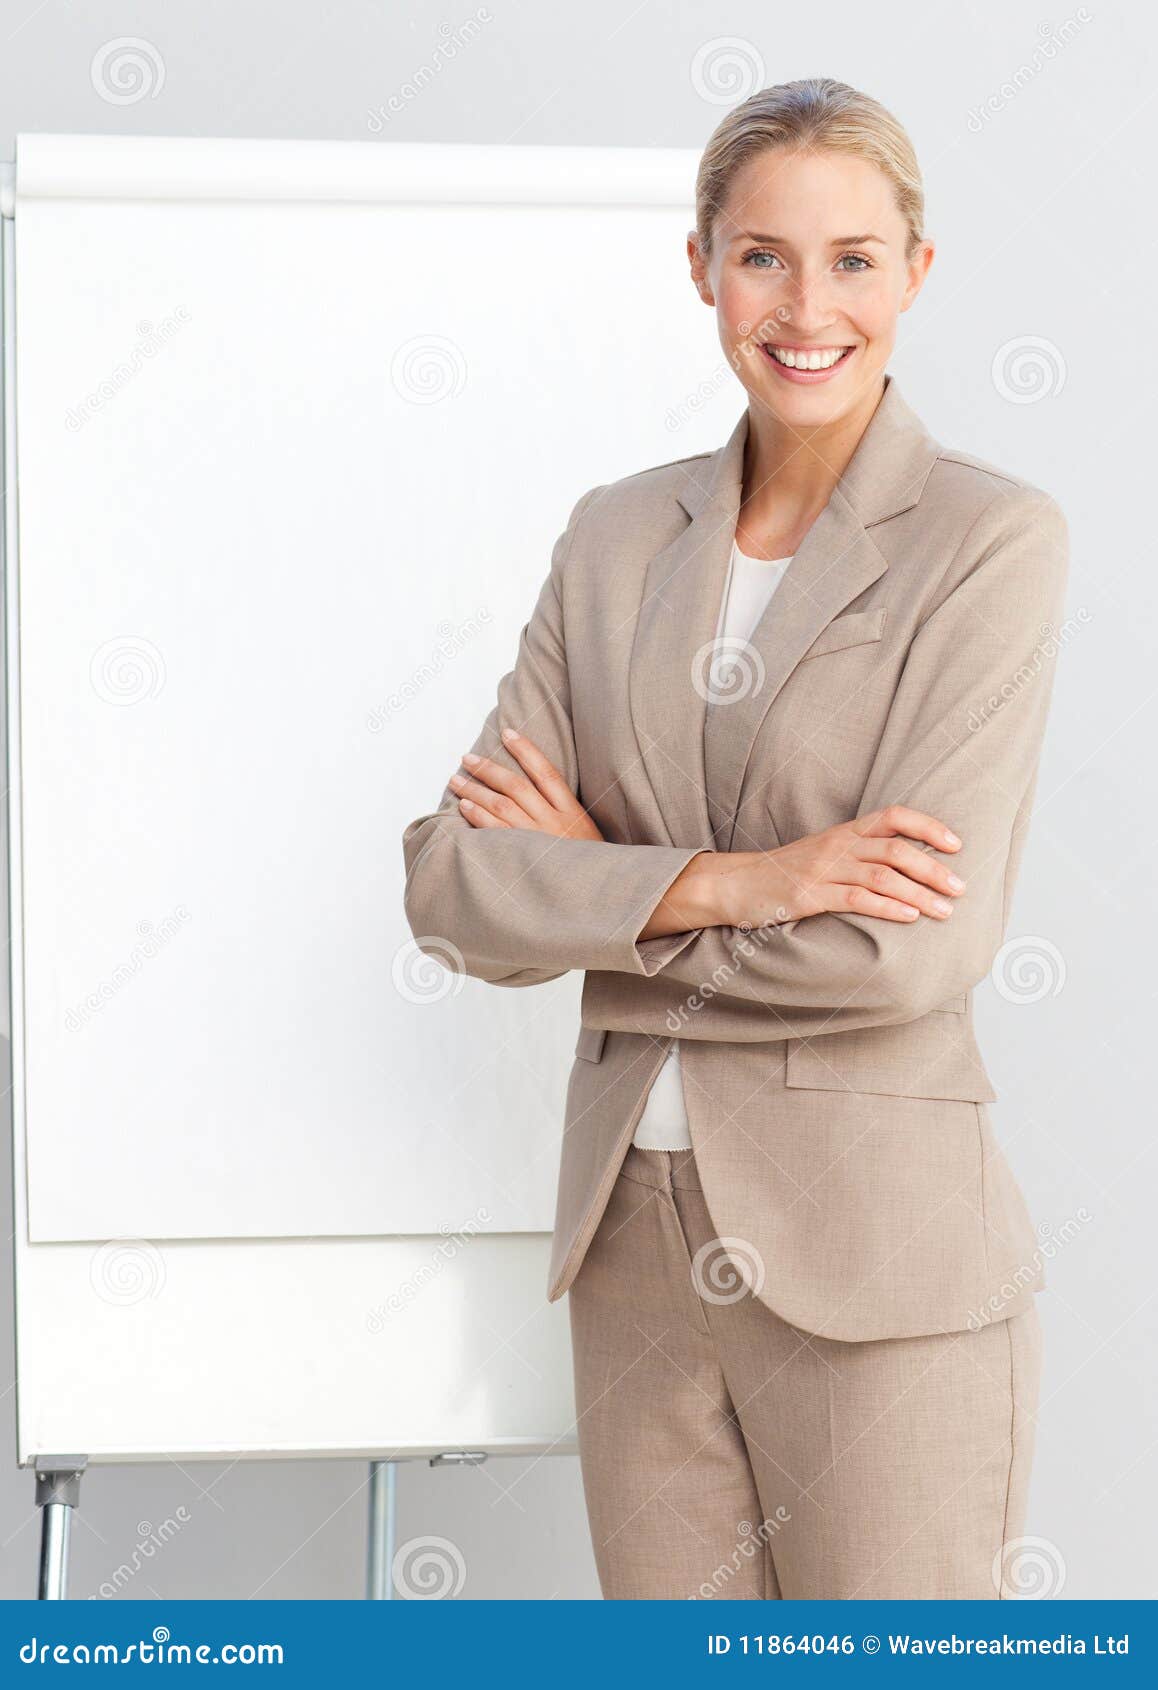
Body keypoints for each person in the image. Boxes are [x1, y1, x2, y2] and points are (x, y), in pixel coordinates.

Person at [401, 77, 1069, 1600]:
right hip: (632, 1257)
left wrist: (596, 900)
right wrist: (742, 882)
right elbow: (450, 885)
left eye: (849, 258)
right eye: (761, 254)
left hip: (879, 1267)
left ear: (915, 272)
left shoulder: (989, 539)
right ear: (701, 266)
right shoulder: (616, 537)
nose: (804, 305)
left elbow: (908, 950)